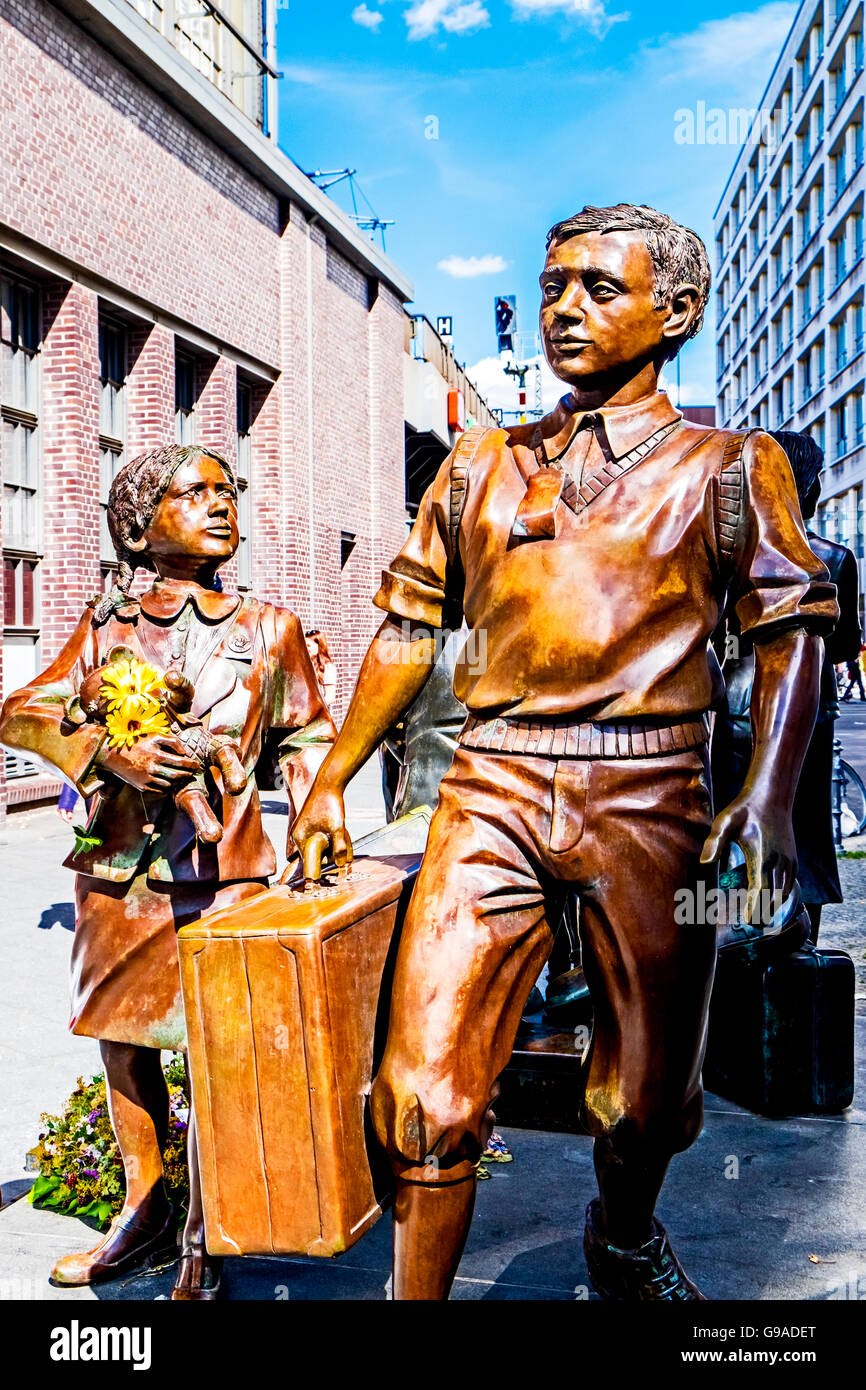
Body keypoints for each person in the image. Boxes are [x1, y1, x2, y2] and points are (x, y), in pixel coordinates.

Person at [292, 204, 837, 1300]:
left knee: (649, 1100)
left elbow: (792, 634)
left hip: (650, 795)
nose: (563, 310)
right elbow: (408, 626)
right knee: (423, 1095)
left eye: (597, 287)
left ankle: (622, 1231)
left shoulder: (730, 467)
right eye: (551, 288)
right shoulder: (480, 463)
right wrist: (327, 776)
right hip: (489, 787)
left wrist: (768, 797)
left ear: (674, 312)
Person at [0, 444, 335, 1300]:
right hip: (120, 873)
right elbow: (23, 710)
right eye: (195, 493)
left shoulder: (270, 628)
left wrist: (315, 811)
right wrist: (107, 753)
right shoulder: (106, 624)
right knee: (123, 1041)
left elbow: (308, 737)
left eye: (228, 492)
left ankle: (204, 1237)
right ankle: (145, 1211)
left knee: (217, 1052)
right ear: (140, 523)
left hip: (224, 869)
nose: (221, 505)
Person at [713, 430, 861, 942]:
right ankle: (798, 946)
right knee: (805, 834)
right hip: (805, 711)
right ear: (809, 489)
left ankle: (731, 942)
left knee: (732, 829)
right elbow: (842, 646)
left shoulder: (730, 558)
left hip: (733, 708)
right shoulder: (834, 558)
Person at [304, 629, 338, 708]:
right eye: (305, 645)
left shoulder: (328, 668)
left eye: (309, 645)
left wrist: (314, 709)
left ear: (319, 646)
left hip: (319, 714)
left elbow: (330, 697)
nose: (306, 648)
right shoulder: (306, 665)